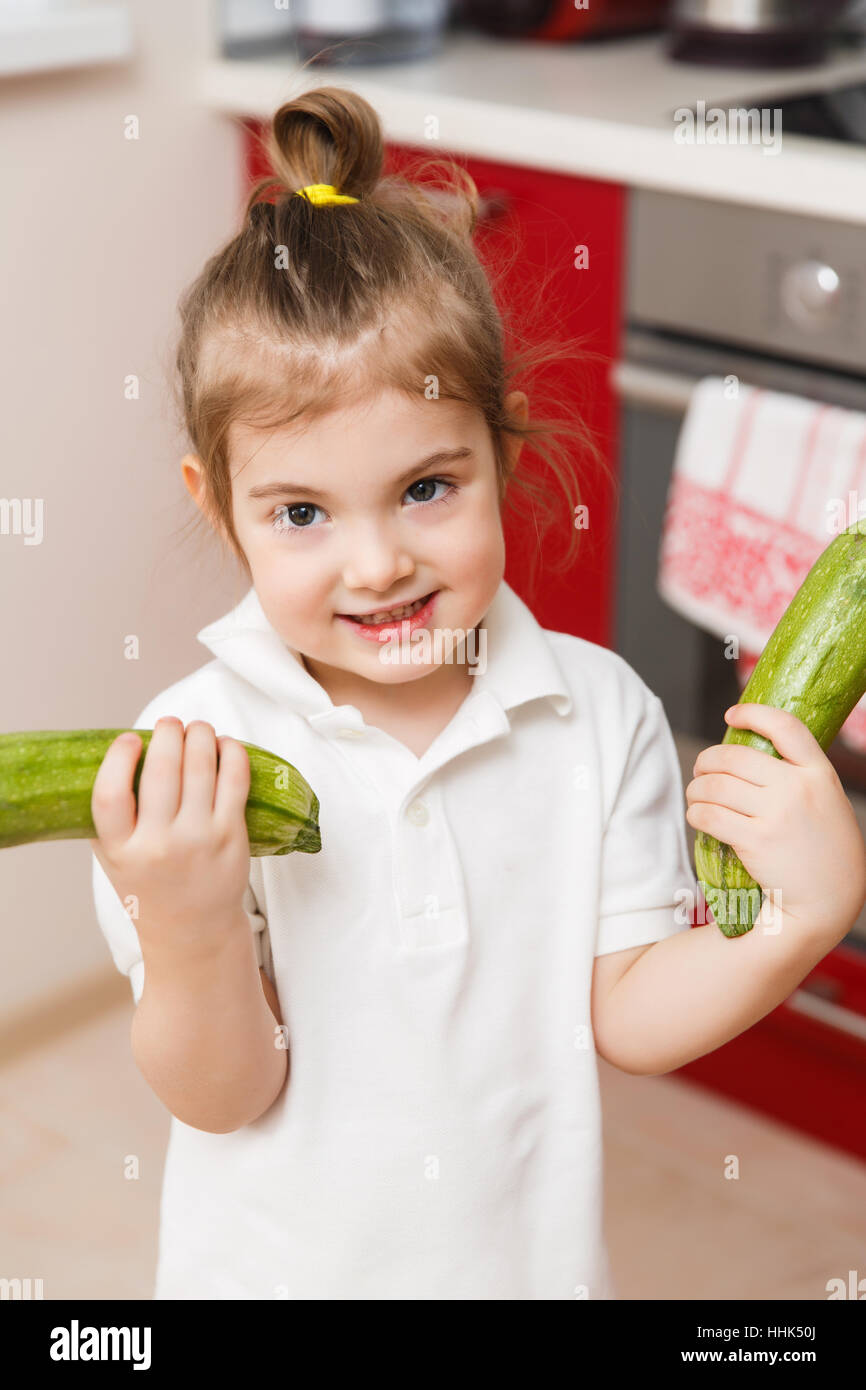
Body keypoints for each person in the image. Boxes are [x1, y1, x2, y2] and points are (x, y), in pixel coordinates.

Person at [89, 87, 866, 1301]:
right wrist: (187, 926)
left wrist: (794, 921)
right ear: (216, 503)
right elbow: (225, 1093)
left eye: (426, 488)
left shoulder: (596, 714)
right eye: (300, 512)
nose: (376, 561)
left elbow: (628, 1016)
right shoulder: (182, 764)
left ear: (501, 452)